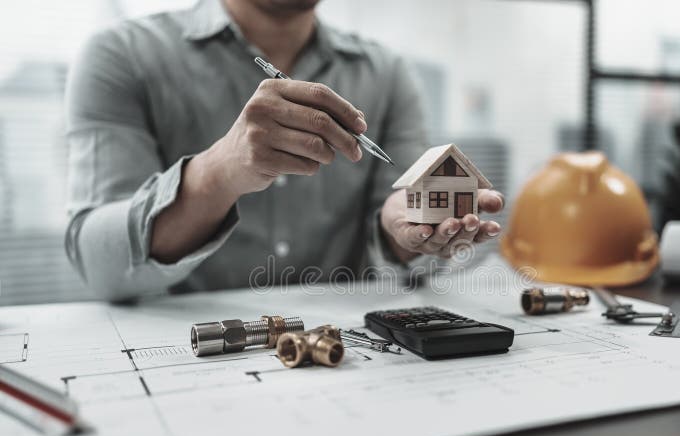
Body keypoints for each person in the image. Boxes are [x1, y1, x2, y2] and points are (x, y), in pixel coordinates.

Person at [64, 0, 504, 302]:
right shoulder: (121, 56)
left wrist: (408, 232)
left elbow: (403, 235)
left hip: (345, 357)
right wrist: (220, 172)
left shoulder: (388, 74)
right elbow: (99, 266)